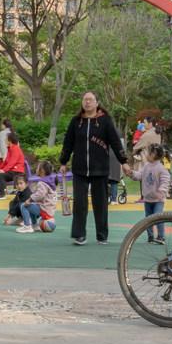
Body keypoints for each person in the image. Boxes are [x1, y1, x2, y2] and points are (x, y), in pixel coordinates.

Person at [58, 91, 129, 246]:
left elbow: (115, 142)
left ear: (97, 103)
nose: (87, 102)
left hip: (100, 169)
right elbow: (68, 142)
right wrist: (63, 162)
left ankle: (102, 236)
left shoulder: (105, 121)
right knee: (79, 203)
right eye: (85, 99)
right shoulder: (76, 121)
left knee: (101, 204)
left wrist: (123, 161)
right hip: (79, 170)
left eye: (90, 100)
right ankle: (79, 235)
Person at [0, 130, 27, 197]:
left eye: (6, 139)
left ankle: (1, 194)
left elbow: (12, 162)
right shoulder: (10, 149)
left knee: (1, 175)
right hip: (13, 171)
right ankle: (0, 192)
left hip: (17, 172)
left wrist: (3, 170)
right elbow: (6, 162)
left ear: (10, 140)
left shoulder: (15, 148)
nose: (5, 140)